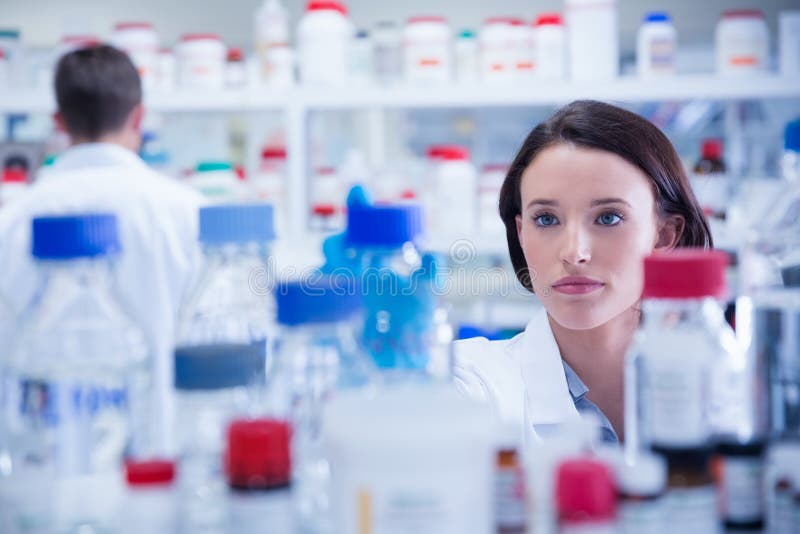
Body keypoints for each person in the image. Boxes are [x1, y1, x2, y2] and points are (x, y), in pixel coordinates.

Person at [454, 100, 712, 445]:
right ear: (521, 233)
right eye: (546, 219)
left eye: (608, 217)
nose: (574, 253)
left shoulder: (728, 381)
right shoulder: (472, 385)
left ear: (664, 234)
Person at [0, 45, 205, 453]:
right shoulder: (190, 214)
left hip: (41, 463)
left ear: (58, 122)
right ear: (140, 117)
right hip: (165, 459)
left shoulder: (12, 221)